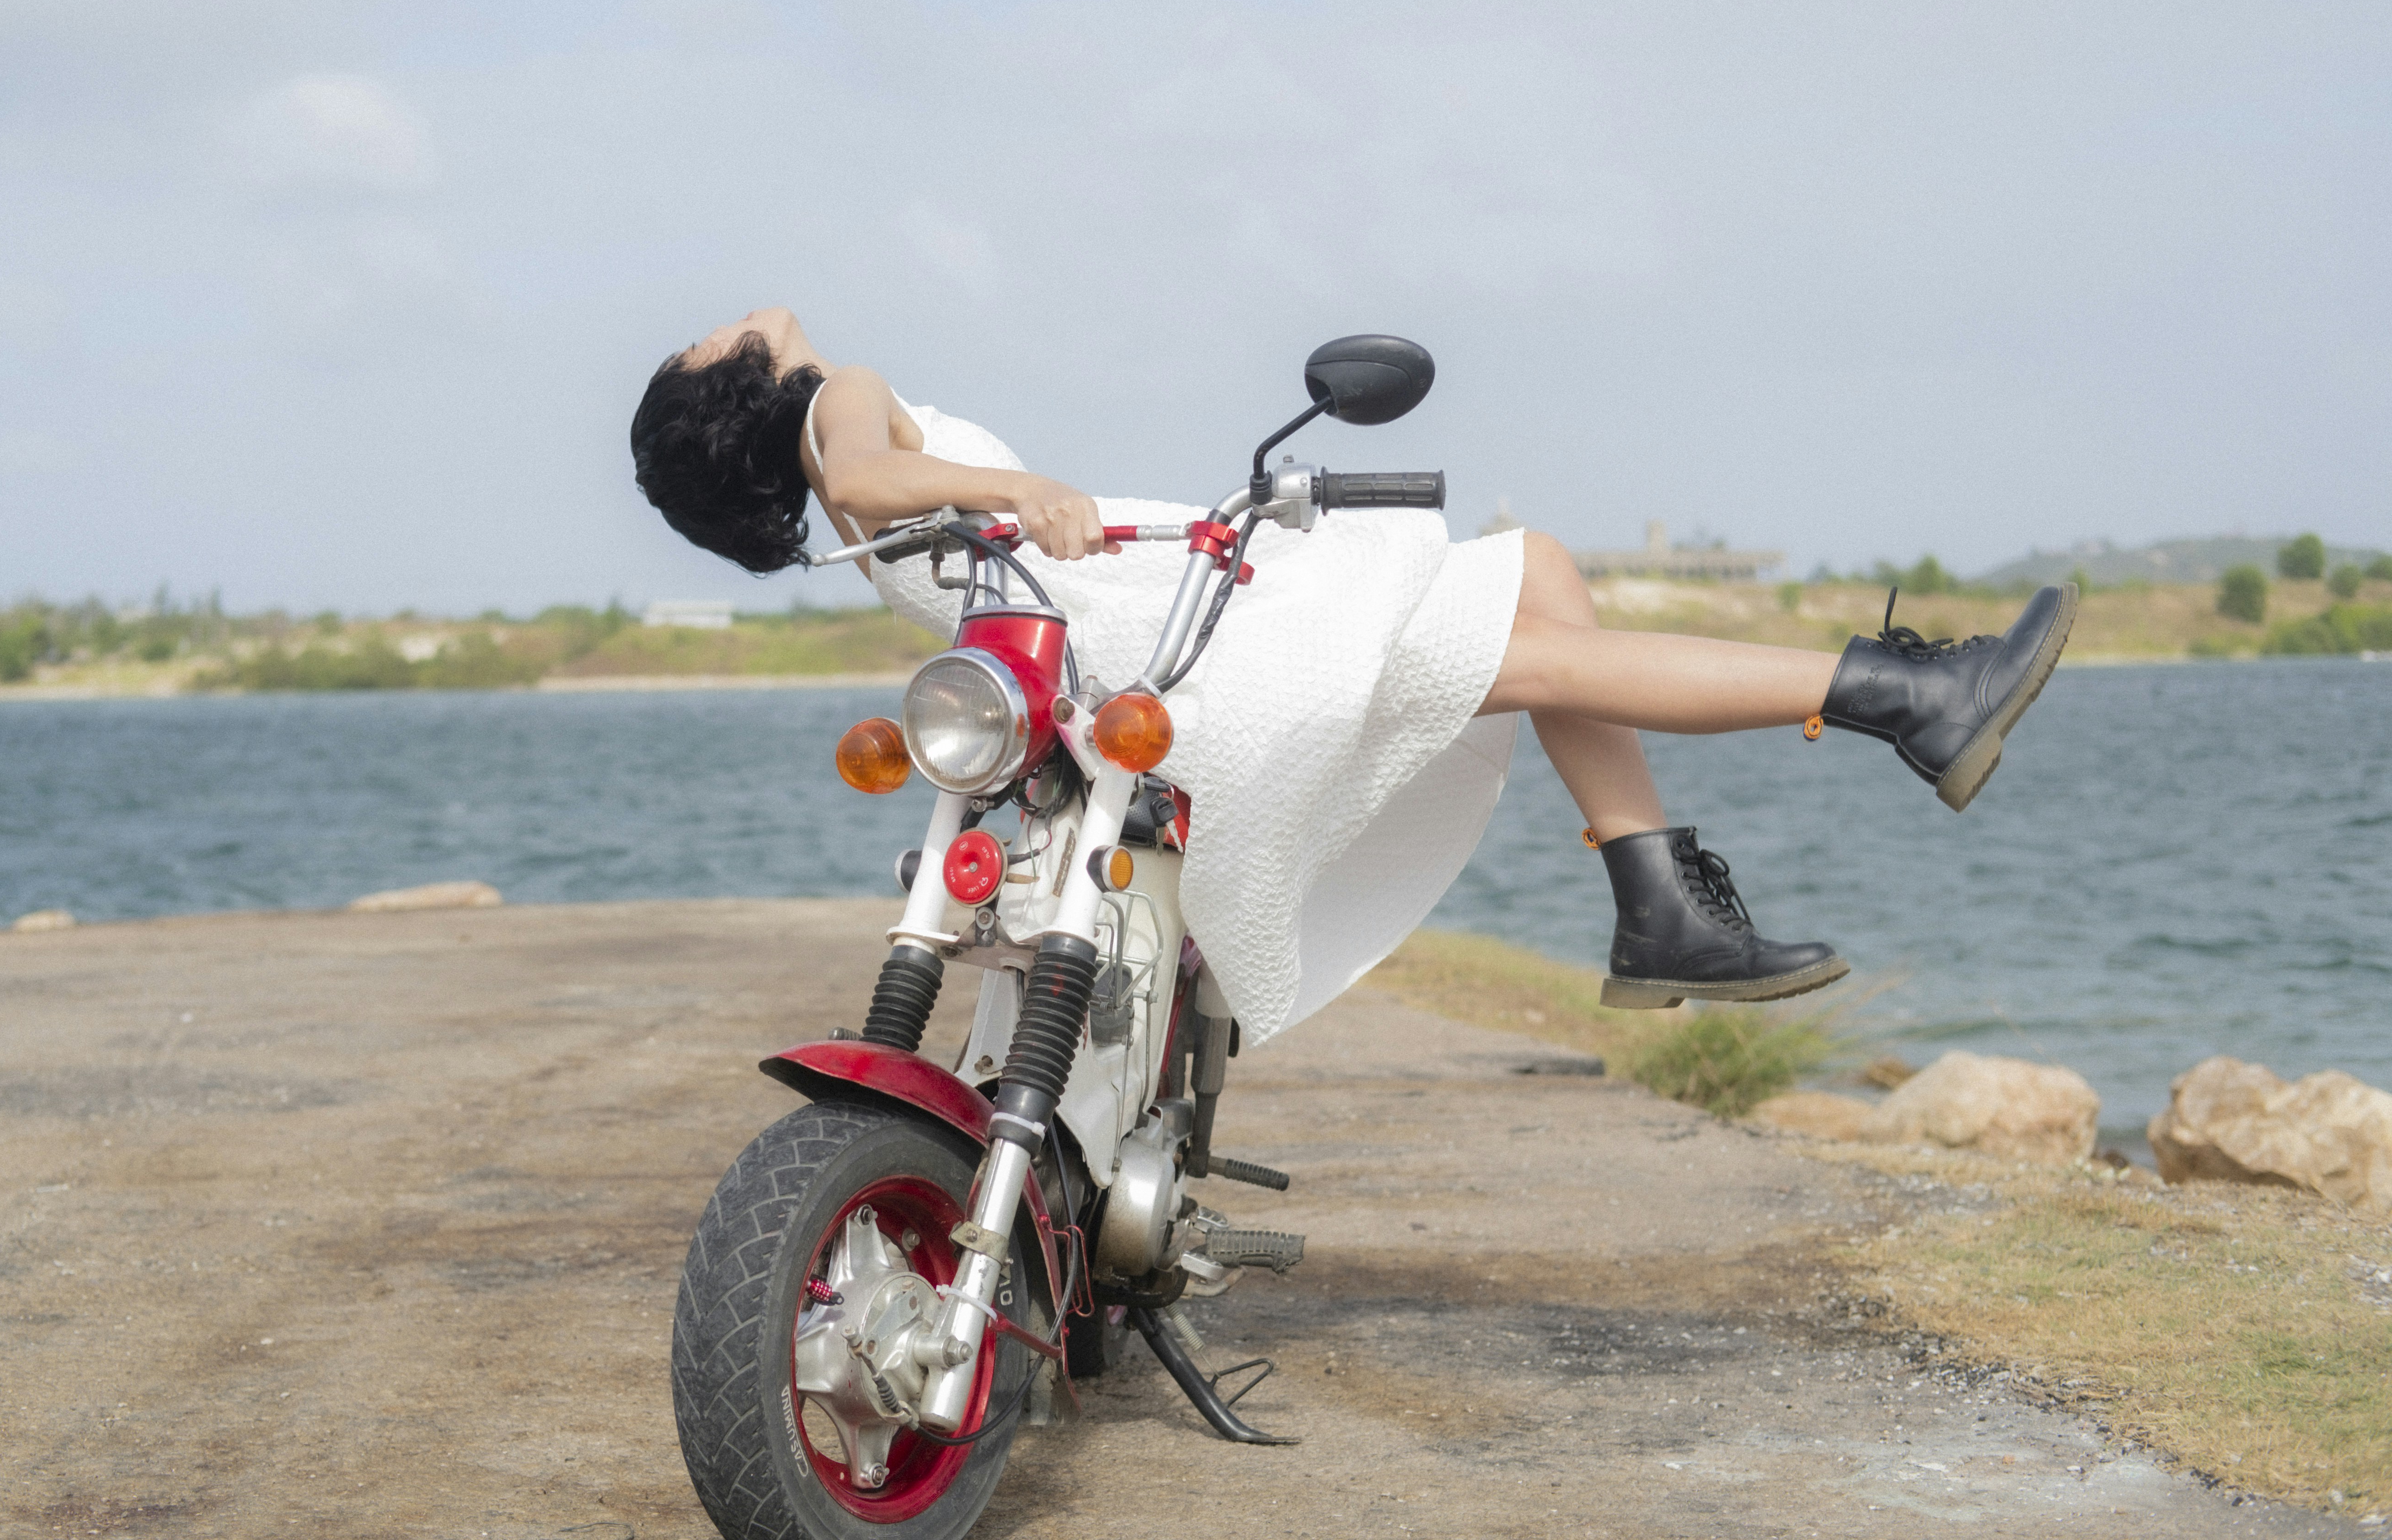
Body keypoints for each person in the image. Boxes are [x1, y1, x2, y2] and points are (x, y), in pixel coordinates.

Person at [629, 306, 2074, 1039]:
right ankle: (1902, 695)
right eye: (699, 339)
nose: (721, 313)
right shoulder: (839, 409)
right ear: (730, 380)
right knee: (1540, 649)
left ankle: (1655, 904)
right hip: (1186, 645)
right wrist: (1037, 487)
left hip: (1141, 638)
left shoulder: (835, 476)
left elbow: (883, 502)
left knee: (1537, 571)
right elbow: (884, 476)